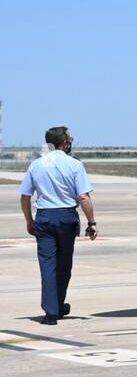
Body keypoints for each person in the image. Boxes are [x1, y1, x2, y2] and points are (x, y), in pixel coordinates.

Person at [19, 127, 96, 325]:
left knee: (47, 265)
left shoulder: (36, 165)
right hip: (66, 217)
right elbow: (84, 197)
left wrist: (29, 220)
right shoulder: (75, 165)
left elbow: (25, 196)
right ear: (64, 143)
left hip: (44, 217)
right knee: (64, 265)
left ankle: (52, 311)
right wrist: (92, 222)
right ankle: (57, 304)